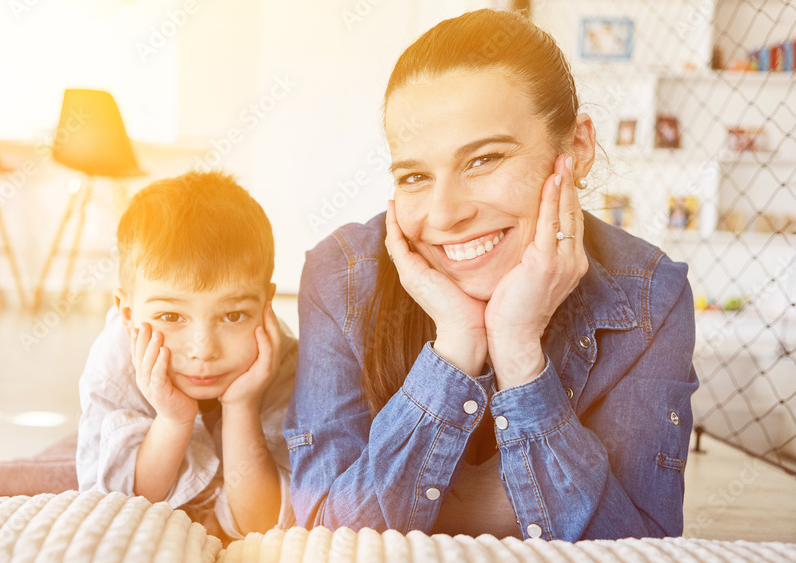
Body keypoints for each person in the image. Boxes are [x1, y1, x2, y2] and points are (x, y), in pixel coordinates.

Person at [285, 9, 698, 542]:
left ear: (576, 149)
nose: (444, 214)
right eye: (414, 175)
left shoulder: (649, 297)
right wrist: (456, 349)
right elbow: (322, 539)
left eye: (483, 160)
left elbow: (637, 551)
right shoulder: (339, 277)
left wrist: (519, 352)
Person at [76, 171, 297, 540]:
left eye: (233, 315)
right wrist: (173, 420)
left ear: (266, 305)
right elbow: (125, 510)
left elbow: (261, 525)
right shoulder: (113, 362)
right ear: (129, 315)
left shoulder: (282, 362)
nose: (203, 349)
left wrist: (242, 406)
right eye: (171, 316)